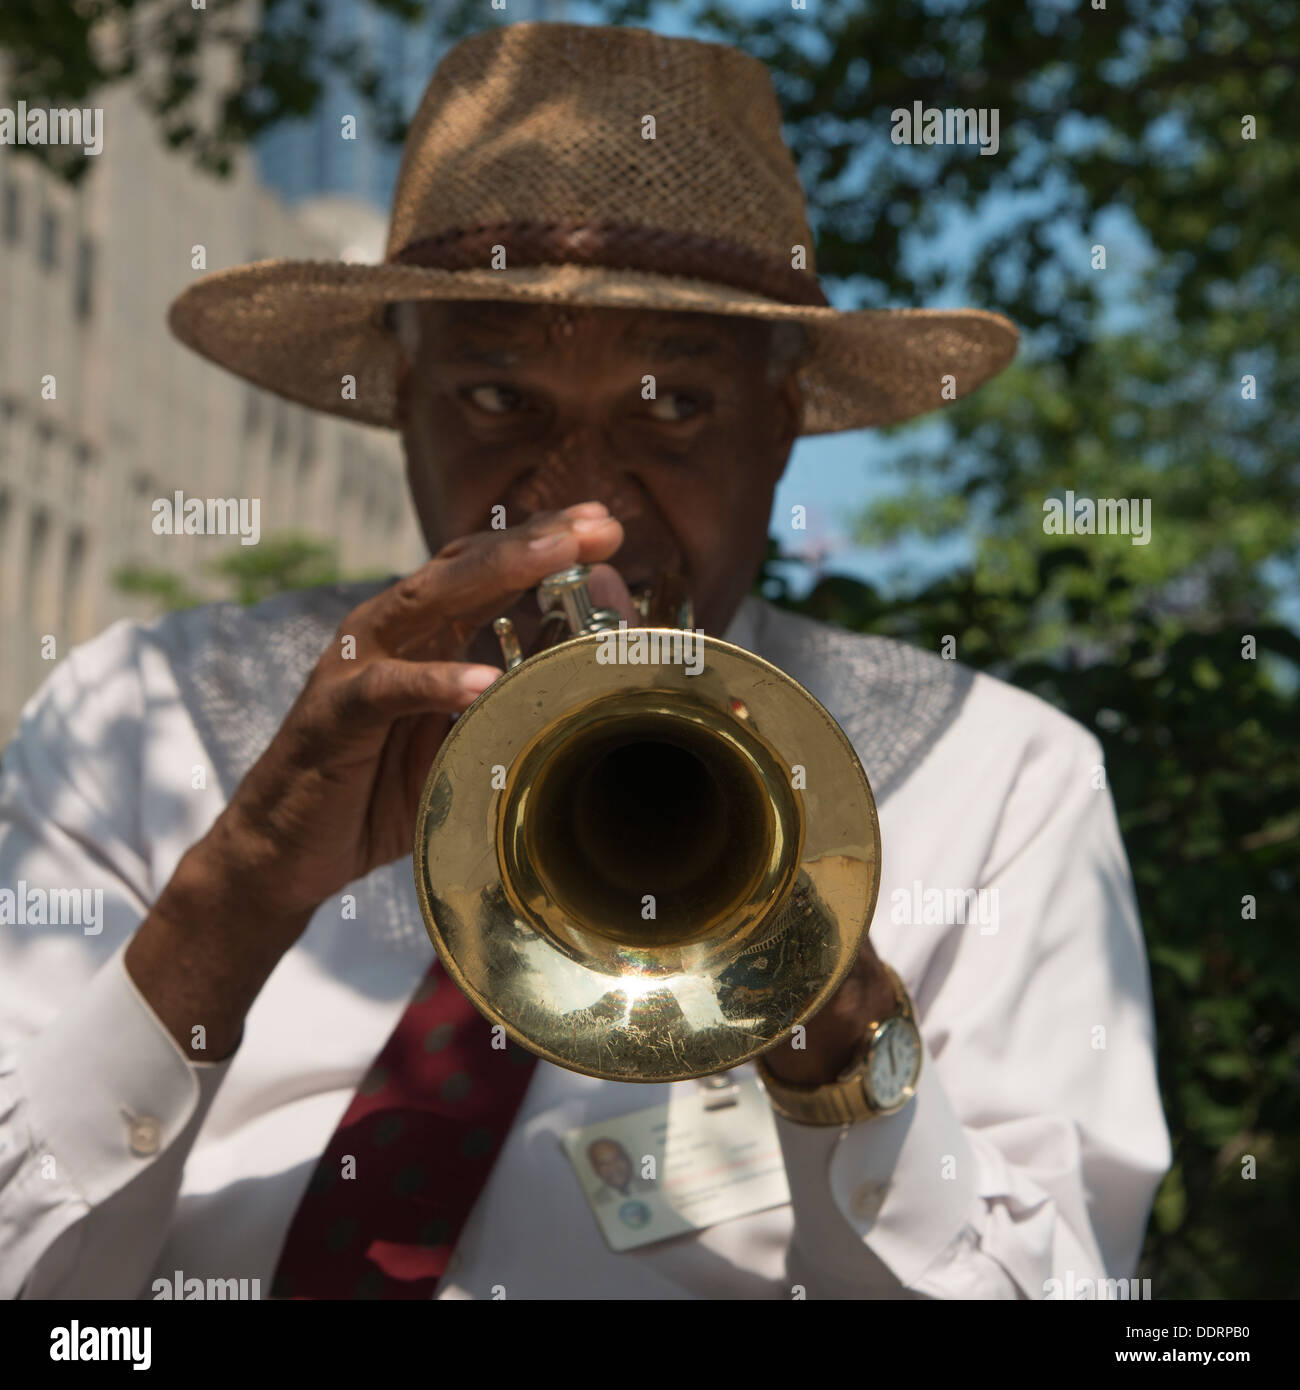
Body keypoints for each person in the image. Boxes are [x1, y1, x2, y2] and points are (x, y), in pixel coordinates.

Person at [0, 21, 1170, 1300]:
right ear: (403, 401)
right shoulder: (138, 711)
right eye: (499, 403)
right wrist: (234, 896)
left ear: (779, 428)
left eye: (672, 406)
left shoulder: (1001, 776)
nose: (582, 504)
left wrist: (831, 1026)